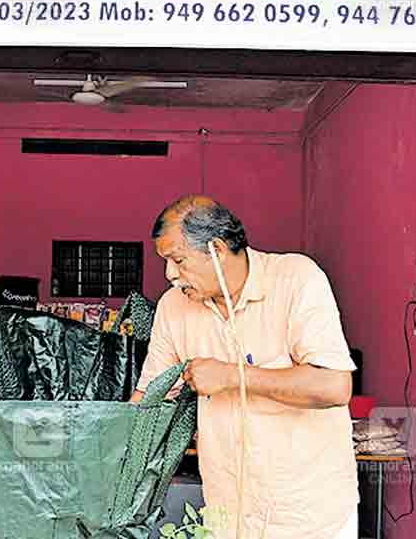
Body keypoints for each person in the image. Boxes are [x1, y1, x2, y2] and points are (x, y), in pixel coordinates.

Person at [131, 195, 357, 539]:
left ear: (217, 250)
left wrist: (233, 376)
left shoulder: (296, 279)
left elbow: (334, 386)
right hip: (227, 512)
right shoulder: (173, 308)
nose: (170, 275)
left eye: (178, 260)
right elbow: (147, 401)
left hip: (307, 513)